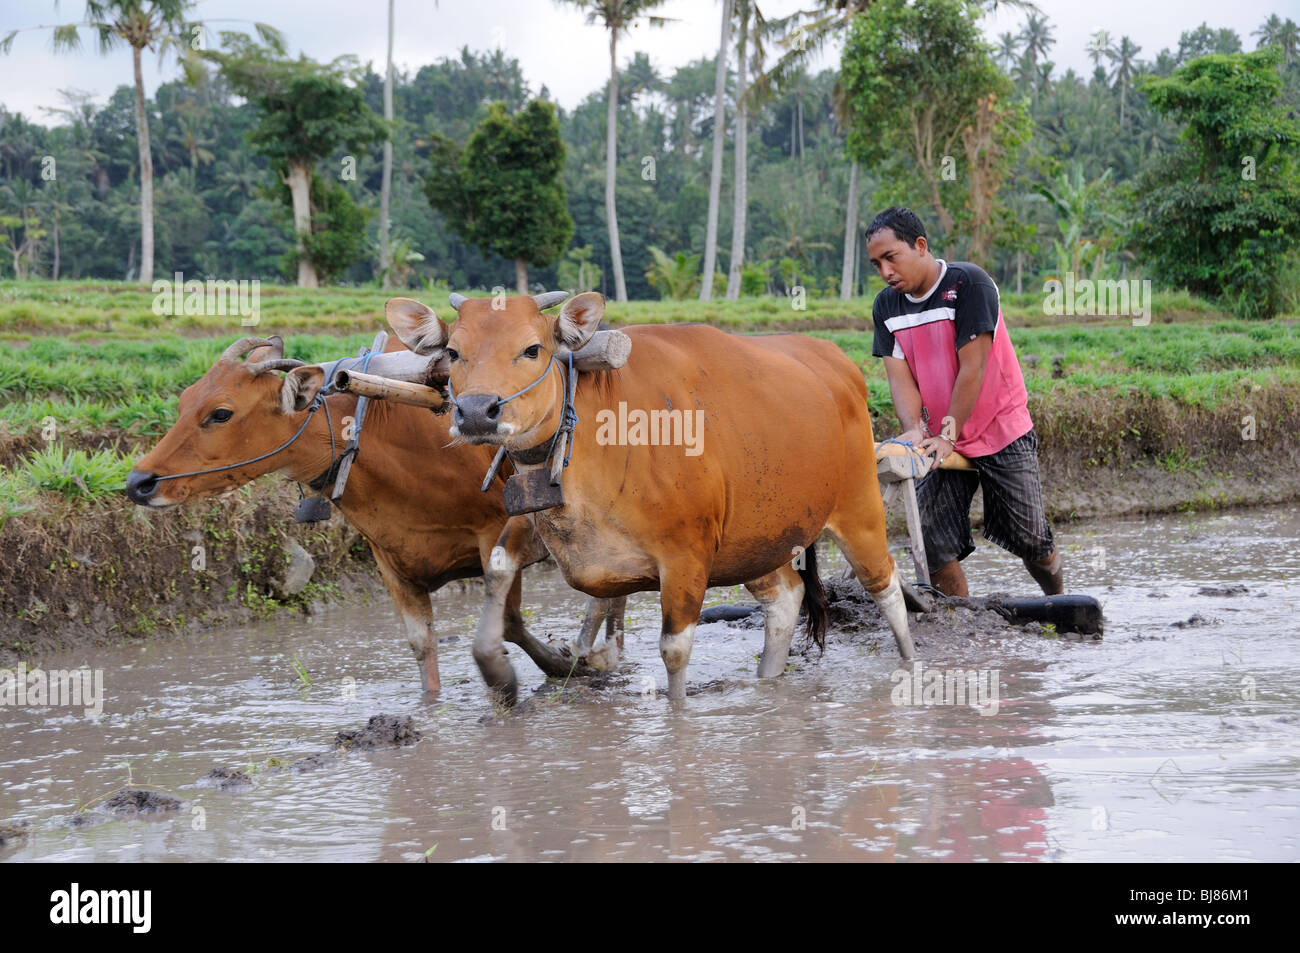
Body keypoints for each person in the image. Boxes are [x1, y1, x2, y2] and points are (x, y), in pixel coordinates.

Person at [866, 206, 1062, 597]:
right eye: (876, 264)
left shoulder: (969, 284)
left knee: (1031, 539)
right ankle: (960, 620)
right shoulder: (887, 306)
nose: (886, 271)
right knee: (931, 535)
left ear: (920, 246)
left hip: (998, 427)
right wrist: (913, 429)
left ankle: (1059, 600)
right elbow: (899, 376)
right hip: (940, 436)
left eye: (892, 258)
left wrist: (949, 433)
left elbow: (973, 368)